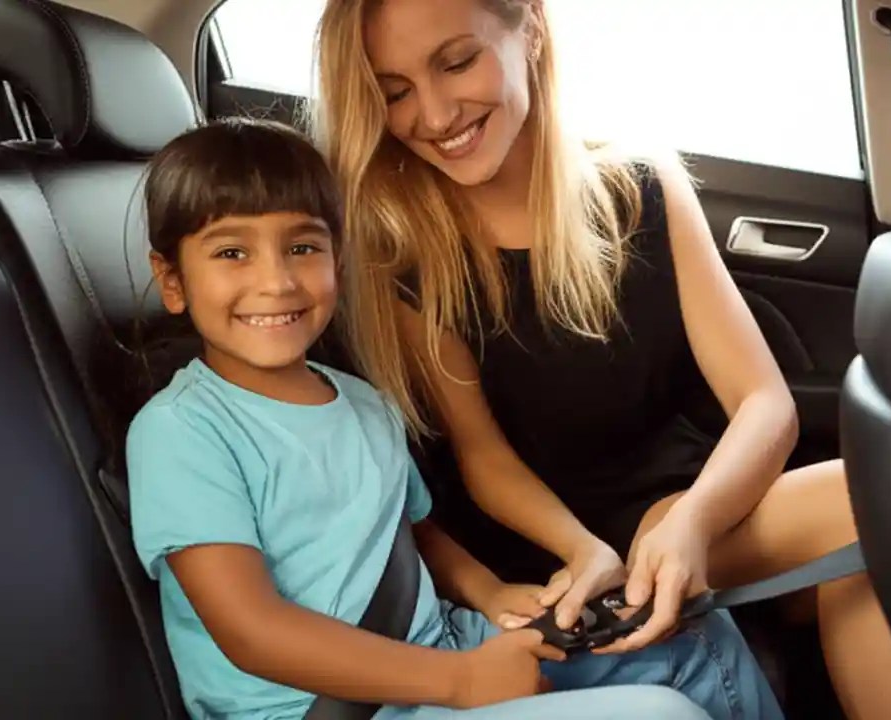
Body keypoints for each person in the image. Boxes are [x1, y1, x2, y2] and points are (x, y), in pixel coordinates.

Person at [310, 1, 891, 719]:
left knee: (867, 555)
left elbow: (764, 401)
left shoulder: (640, 183)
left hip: (694, 506)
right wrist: (584, 550)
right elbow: (485, 462)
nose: (437, 112)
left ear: (530, 27)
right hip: (568, 547)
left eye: (456, 63)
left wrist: (694, 522)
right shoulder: (412, 248)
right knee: (878, 496)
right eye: (395, 92)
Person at [125, 117, 781, 719]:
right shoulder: (181, 433)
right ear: (172, 280)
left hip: (437, 644)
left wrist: (492, 592)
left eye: (302, 247)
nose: (277, 282)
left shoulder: (360, 400)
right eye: (232, 253)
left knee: (694, 636)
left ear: (339, 260)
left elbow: (413, 532)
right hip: (314, 706)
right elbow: (253, 631)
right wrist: (458, 680)